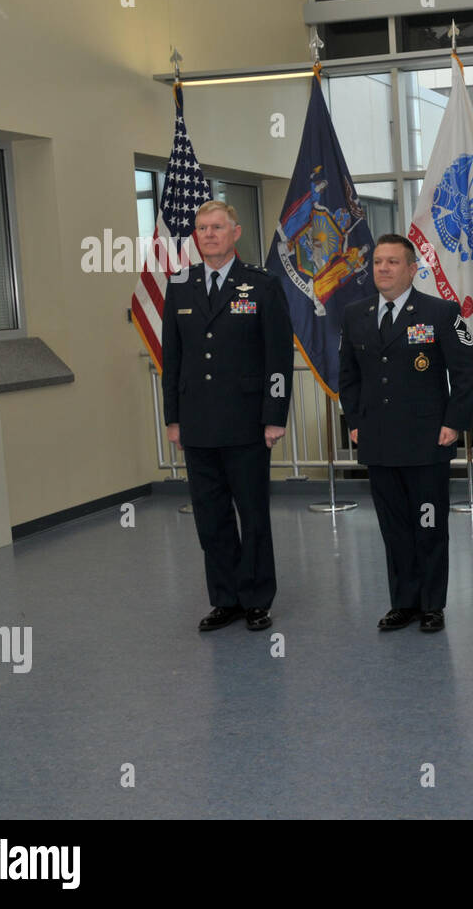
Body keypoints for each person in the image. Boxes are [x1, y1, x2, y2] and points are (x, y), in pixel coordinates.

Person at [338, 234, 473, 634]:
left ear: (412, 269)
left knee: (429, 525)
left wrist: (453, 422)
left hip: (426, 442)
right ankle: (403, 603)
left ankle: (432, 605)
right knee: (394, 528)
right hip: (378, 441)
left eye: (392, 262)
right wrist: (353, 420)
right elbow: (348, 376)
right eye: (378, 262)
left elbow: (469, 369)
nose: (383, 269)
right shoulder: (356, 314)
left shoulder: (440, 312)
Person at [161, 200, 294, 632]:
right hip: (197, 424)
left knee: (252, 516)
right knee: (210, 518)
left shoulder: (261, 284)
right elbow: (173, 358)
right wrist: (173, 418)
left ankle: (256, 599)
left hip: (246, 424)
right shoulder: (180, 285)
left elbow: (278, 355)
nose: (208, 235)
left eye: (217, 227)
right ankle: (225, 599)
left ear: (235, 233)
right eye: (201, 228)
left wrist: (275, 416)